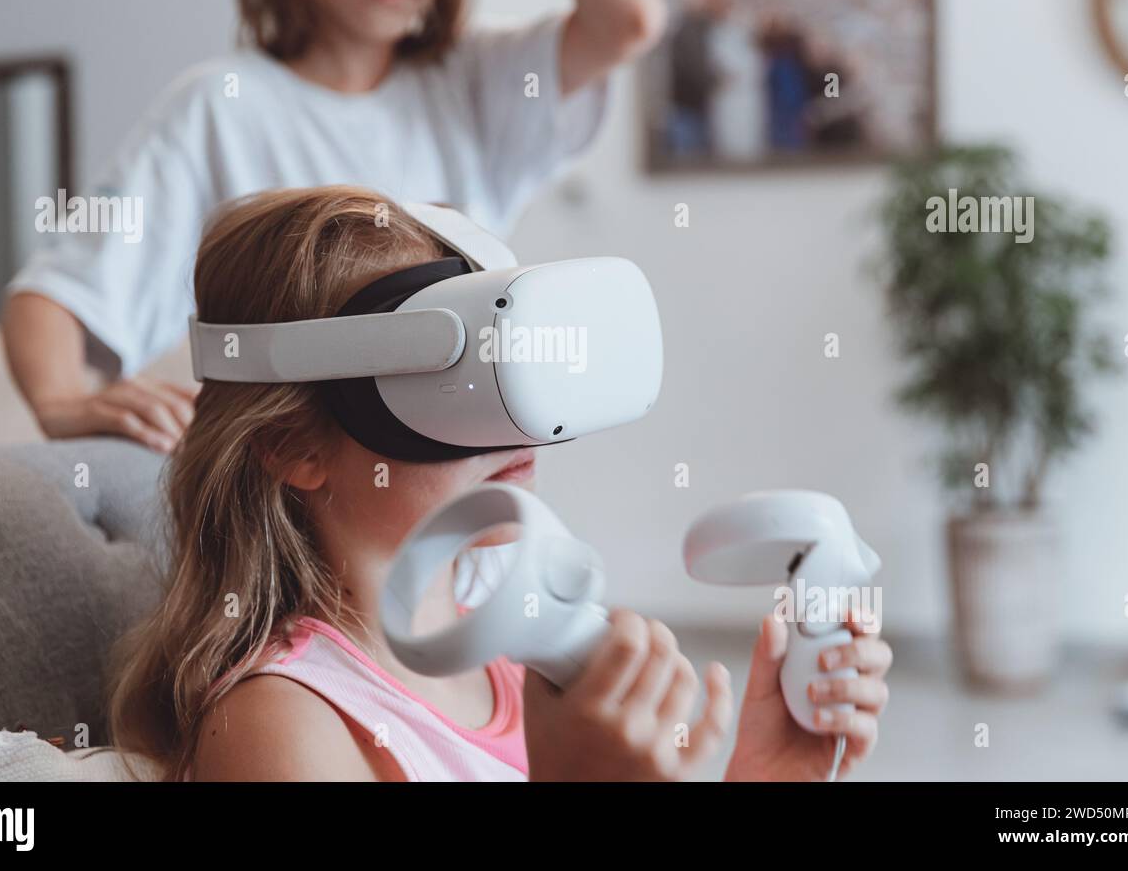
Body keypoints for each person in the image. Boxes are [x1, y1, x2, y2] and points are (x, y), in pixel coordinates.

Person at [106, 186, 892, 781]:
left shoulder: (520, 653)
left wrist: (765, 769)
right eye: (457, 386)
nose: (518, 427)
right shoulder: (283, 724)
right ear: (289, 444)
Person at [2, 0, 669, 454]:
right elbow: (54, 295)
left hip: (466, 483)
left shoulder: (476, 85)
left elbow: (630, 19)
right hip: (304, 507)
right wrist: (62, 400)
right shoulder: (220, 108)